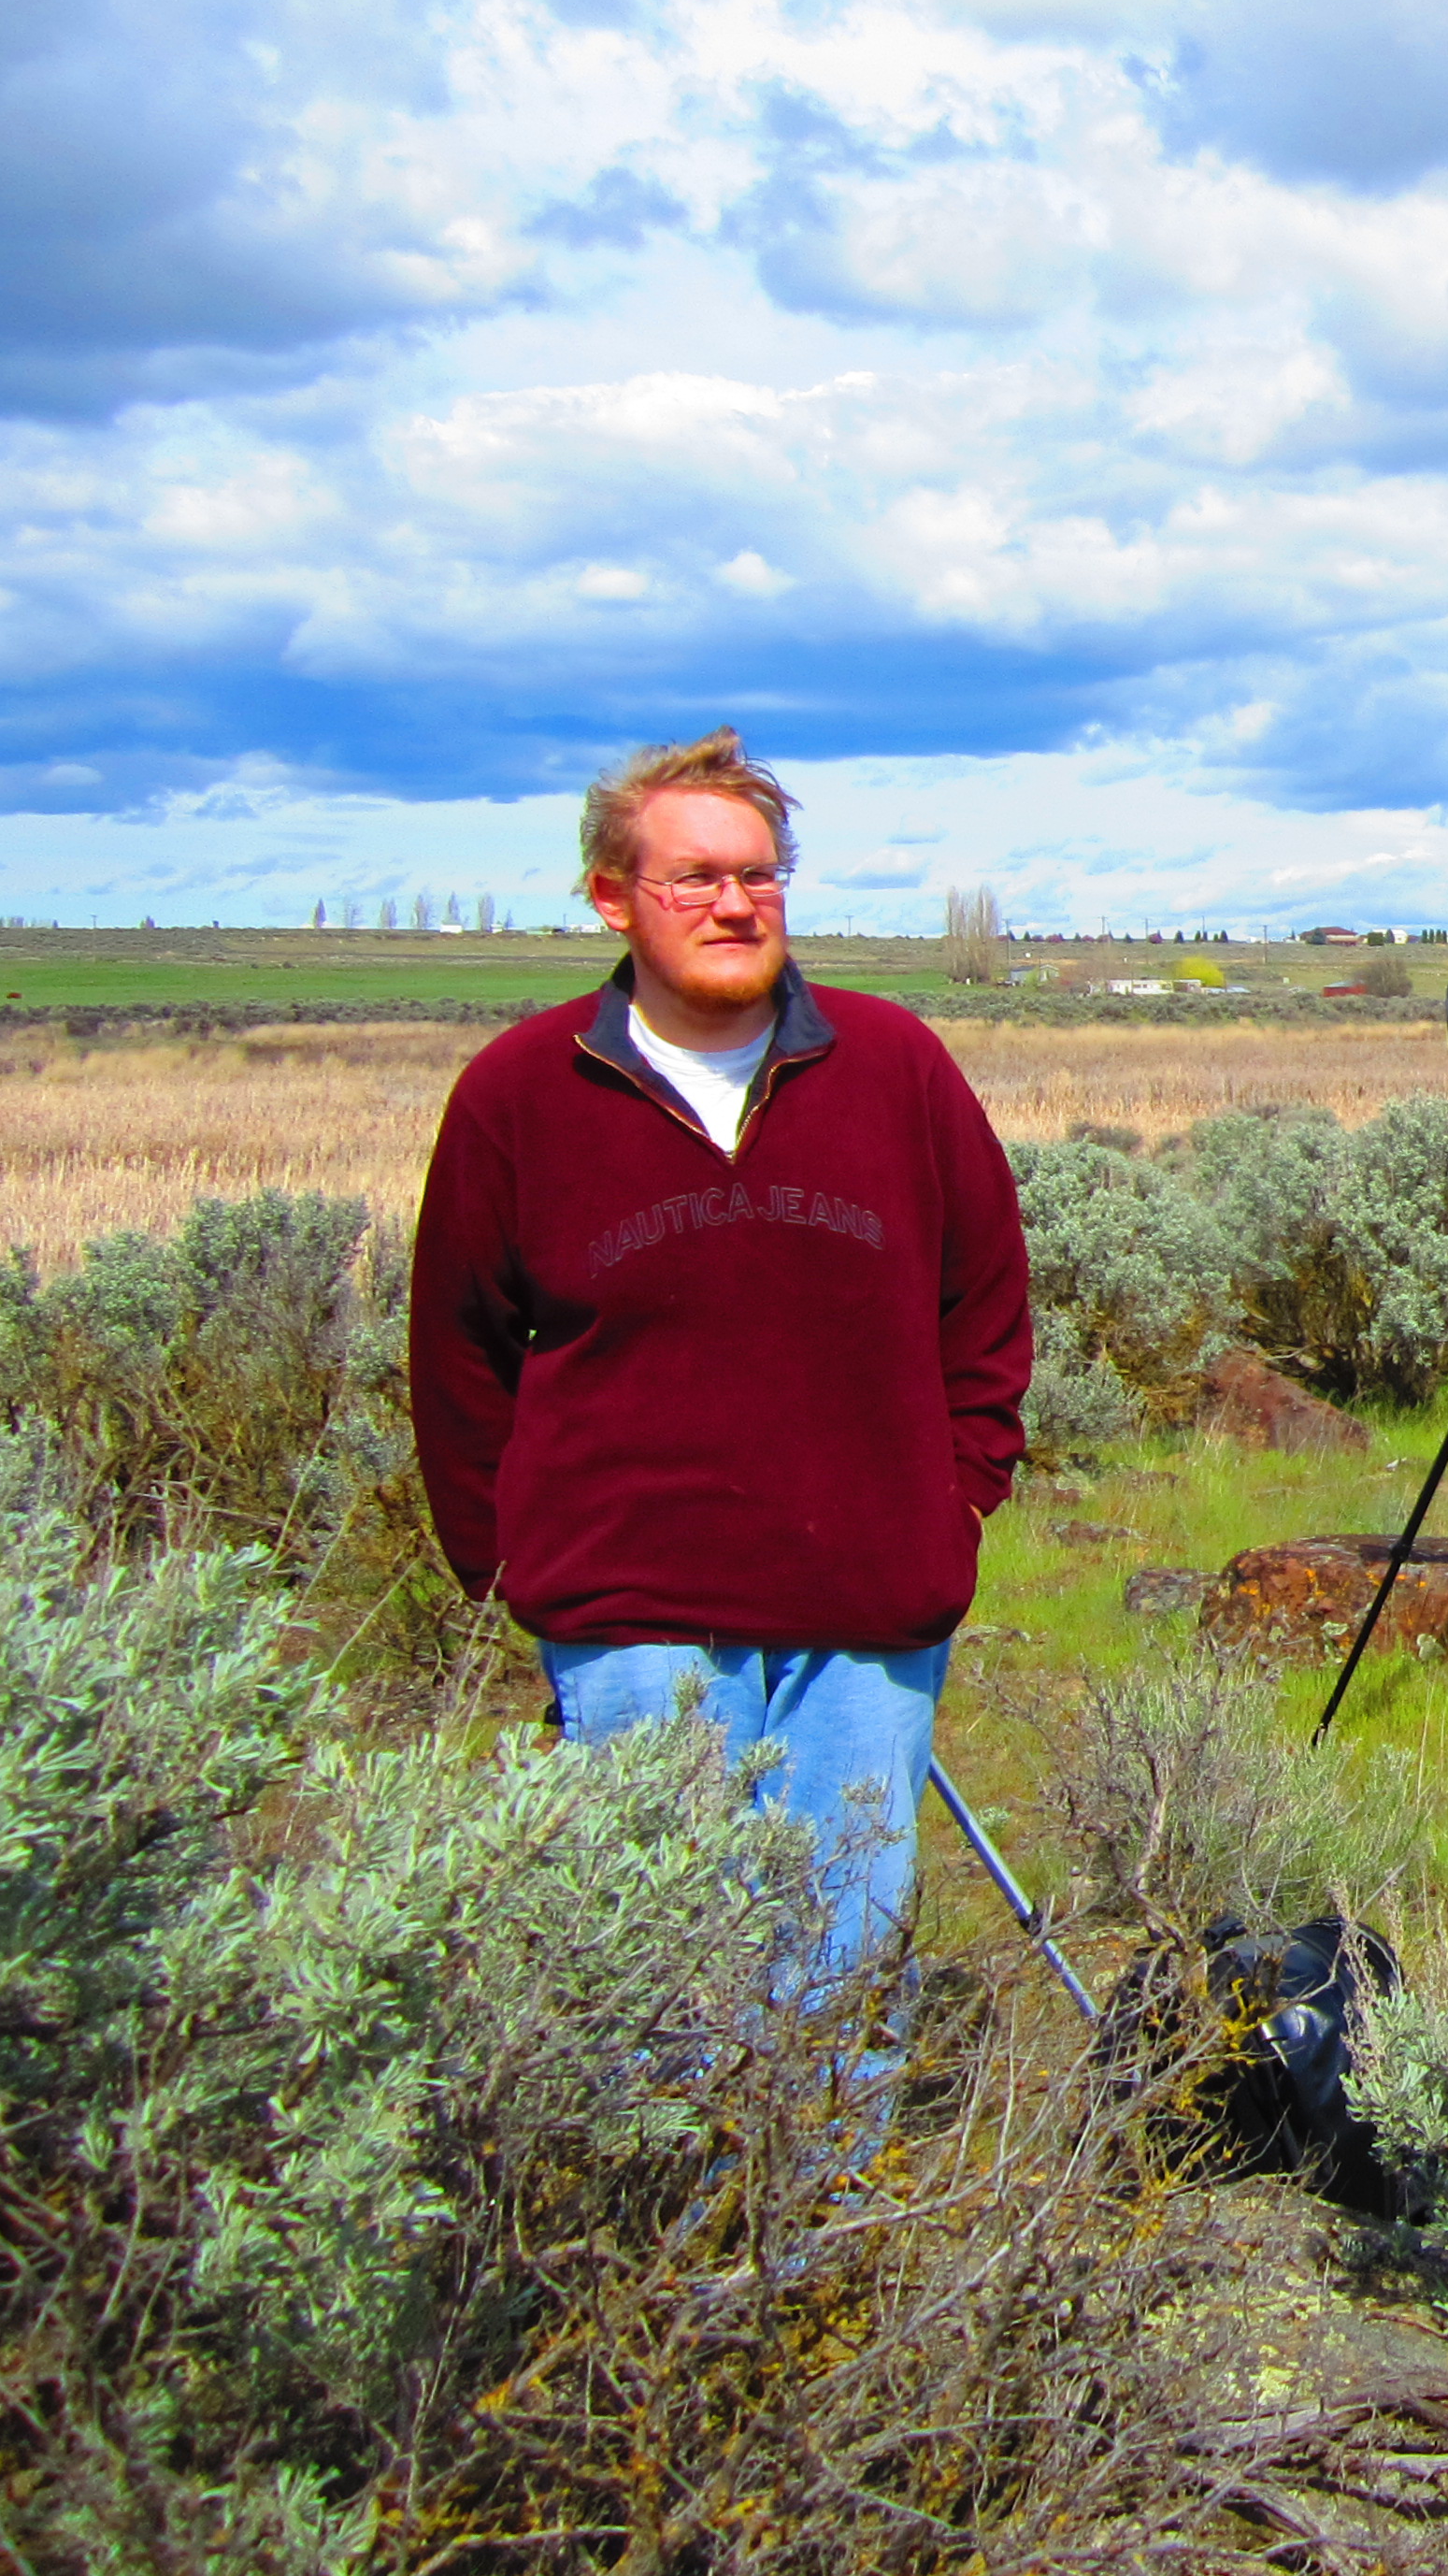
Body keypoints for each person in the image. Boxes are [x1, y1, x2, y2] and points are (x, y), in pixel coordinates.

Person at [409, 728, 1032, 2019]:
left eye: (759, 875)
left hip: (867, 1602)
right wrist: (508, 1564)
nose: (736, 903)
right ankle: (677, 2225)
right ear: (610, 897)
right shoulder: (520, 1093)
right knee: (662, 1984)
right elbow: (459, 1349)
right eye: (693, 878)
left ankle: (826, 2221)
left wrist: (959, 1493)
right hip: (629, 1613)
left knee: (840, 1973)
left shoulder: (895, 1066)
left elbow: (986, 1297)